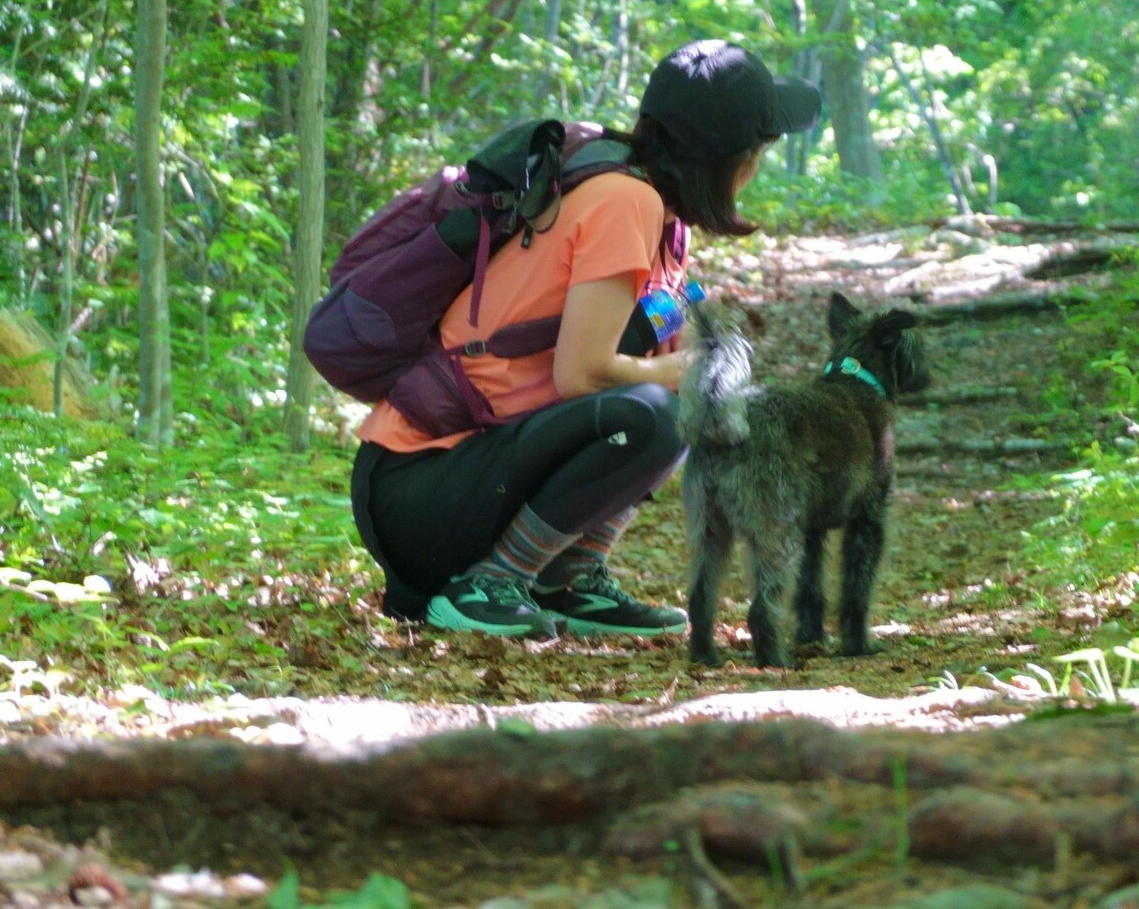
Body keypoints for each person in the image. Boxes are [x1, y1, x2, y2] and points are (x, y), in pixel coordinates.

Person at [349, 40, 822, 639]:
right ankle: (491, 584)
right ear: (729, 158)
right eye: (759, 150)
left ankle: (566, 579)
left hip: (463, 484)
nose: (758, 164)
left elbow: (639, 354)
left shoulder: (664, 225)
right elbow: (584, 374)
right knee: (661, 412)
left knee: (682, 405)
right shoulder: (623, 200)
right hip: (417, 491)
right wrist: (685, 372)